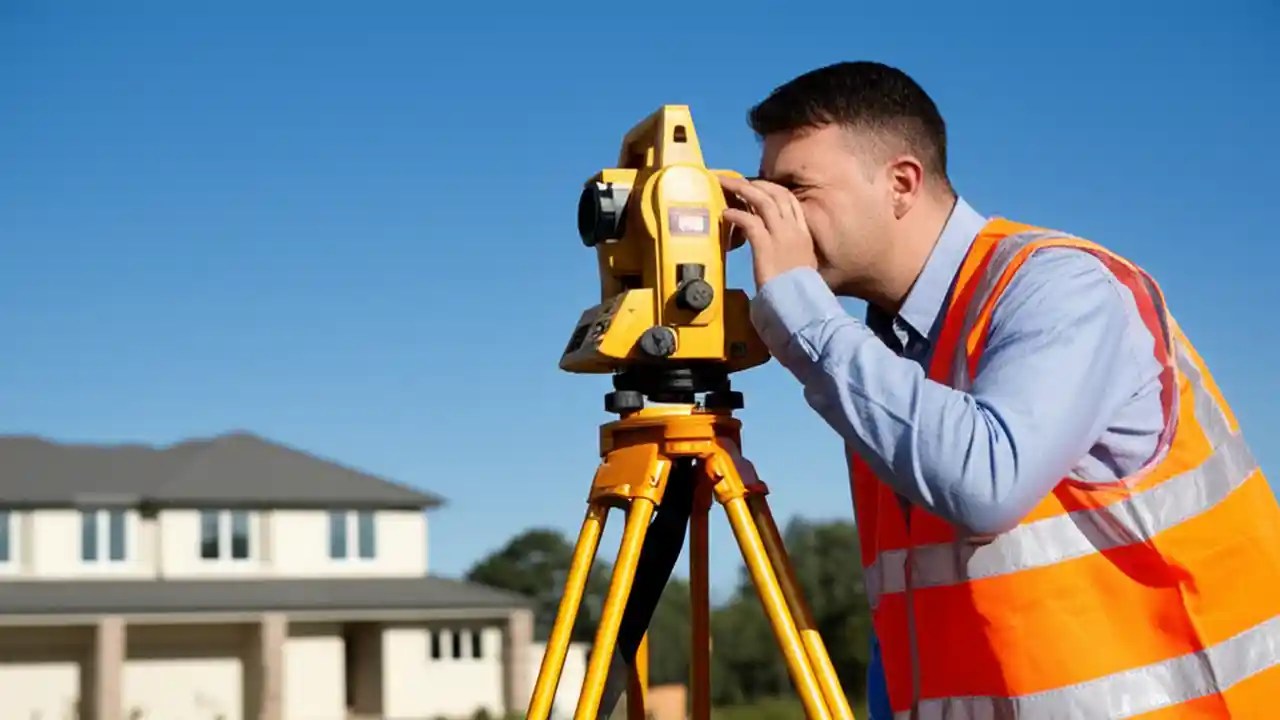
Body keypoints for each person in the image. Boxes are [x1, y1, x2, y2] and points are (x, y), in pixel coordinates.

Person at [718, 60, 1280, 718]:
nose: (771, 214)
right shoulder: (884, 350)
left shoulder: (1059, 287)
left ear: (901, 184)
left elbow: (986, 484)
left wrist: (802, 315)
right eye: (762, 192)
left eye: (794, 188)